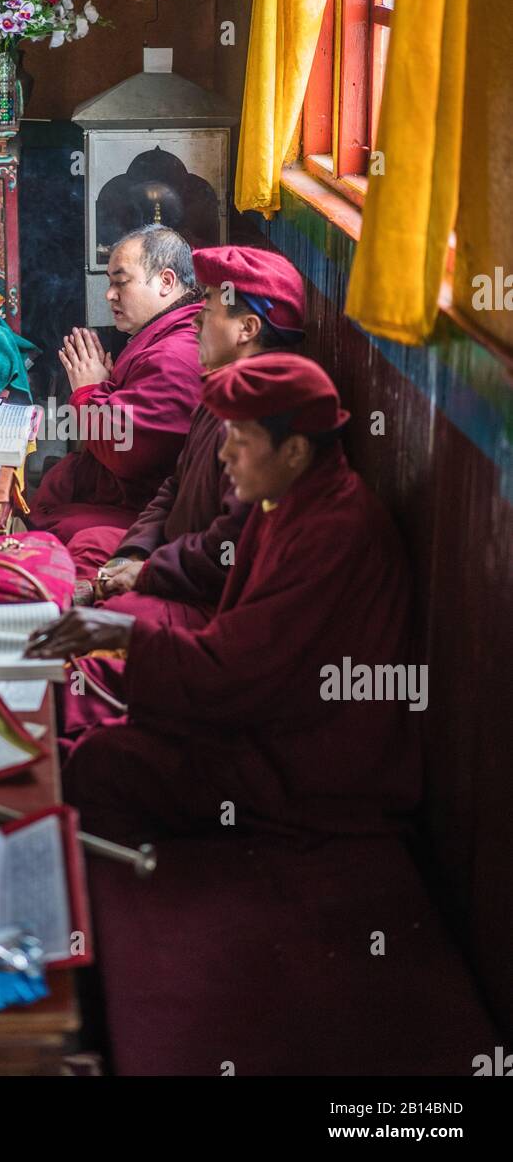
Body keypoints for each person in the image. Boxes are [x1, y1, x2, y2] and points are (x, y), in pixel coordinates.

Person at [25, 354, 421, 846]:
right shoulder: (287, 497)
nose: (226, 456)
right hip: (260, 711)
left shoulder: (331, 532)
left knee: (99, 764)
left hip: (306, 760)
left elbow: (235, 672)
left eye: (241, 440)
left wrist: (123, 635)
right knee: (81, 725)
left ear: (294, 451)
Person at [70, 245, 307, 624]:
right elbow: (173, 487)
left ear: (247, 329)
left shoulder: (263, 421)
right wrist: (132, 554)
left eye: (208, 311)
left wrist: (146, 573)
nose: (195, 322)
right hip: (168, 554)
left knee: (104, 619)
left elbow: (230, 548)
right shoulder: (218, 391)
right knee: (85, 552)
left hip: (205, 597)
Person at [29, 226, 203, 560]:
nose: (109, 294)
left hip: (143, 513)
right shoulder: (160, 336)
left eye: (120, 282)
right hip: (120, 497)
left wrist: (89, 391)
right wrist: (105, 390)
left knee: (51, 535)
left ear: (166, 282)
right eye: (109, 282)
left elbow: (127, 452)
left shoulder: (173, 356)